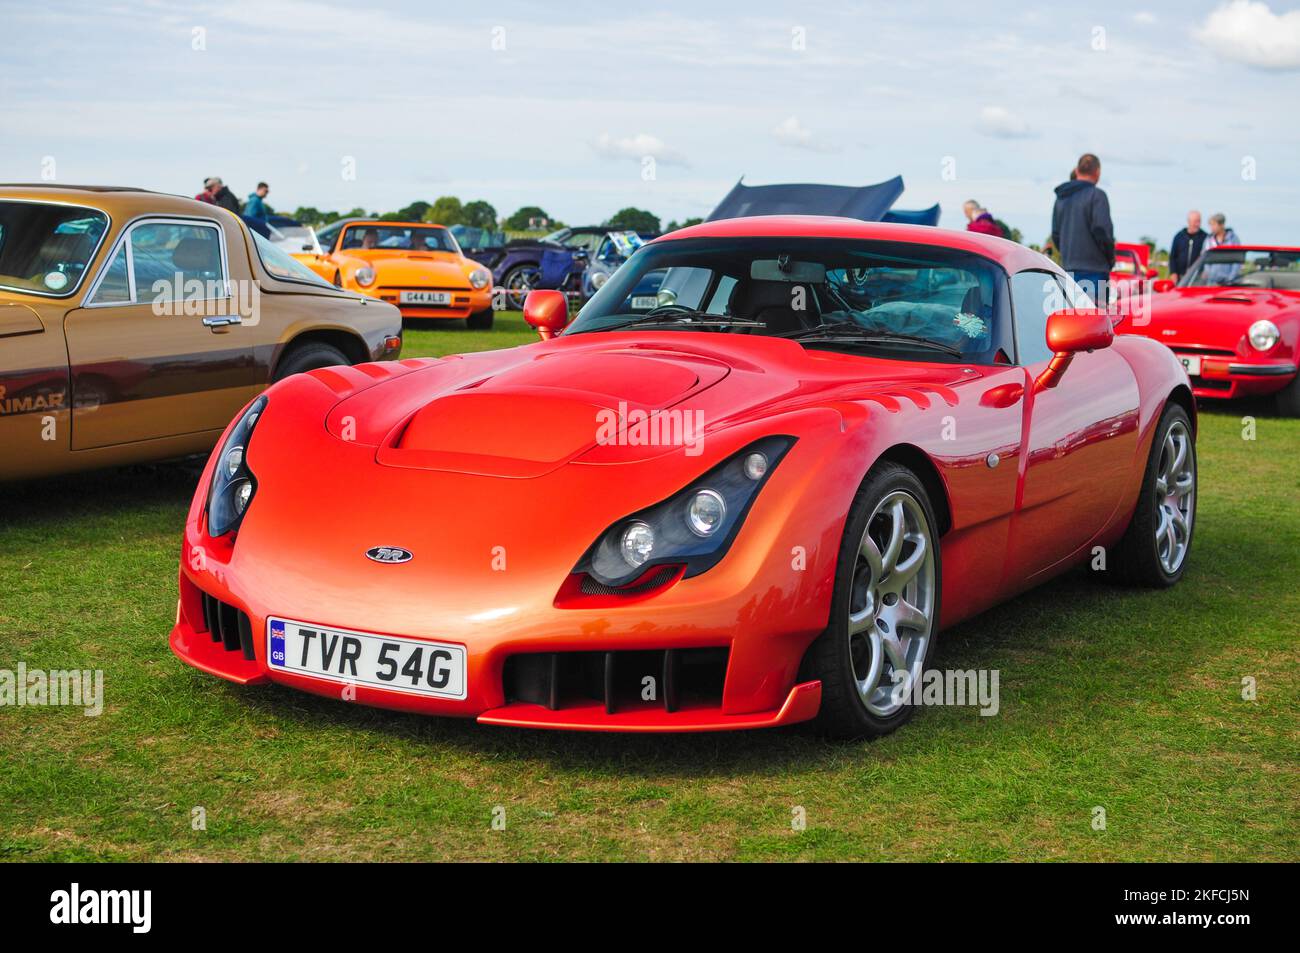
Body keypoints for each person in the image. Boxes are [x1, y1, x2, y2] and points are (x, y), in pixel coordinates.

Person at [1051, 153, 1115, 305]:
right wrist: (1110, 258)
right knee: (1093, 323)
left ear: (1077, 170)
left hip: (1067, 271)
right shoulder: (1097, 196)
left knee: (1071, 323)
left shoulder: (1061, 198)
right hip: (1094, 272)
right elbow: (1102, 231)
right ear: (1097, 173)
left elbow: (1056, 234)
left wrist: (1067, 255)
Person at [1168, 210, 1207, 284]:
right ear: (1189, 221)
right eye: (1195, 221)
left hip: (1197, 277)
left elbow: (1206, 257)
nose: (1197, 224)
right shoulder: (1179, 236)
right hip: (1181, 277)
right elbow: (1172, 256)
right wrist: (1173, 272)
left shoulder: (1205, 237)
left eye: (1199, 221)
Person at [1201, 213, 1241, 284]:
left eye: (1214, 225)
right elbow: (1205, 258)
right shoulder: (1208, 240)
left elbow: (1237, 261)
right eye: (1210, 225)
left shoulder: (1233, 239)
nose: (1211, 228)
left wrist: (1231, 278)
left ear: (1221, 225)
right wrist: (1209, 275)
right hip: (1211, 282)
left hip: (1230, 282)